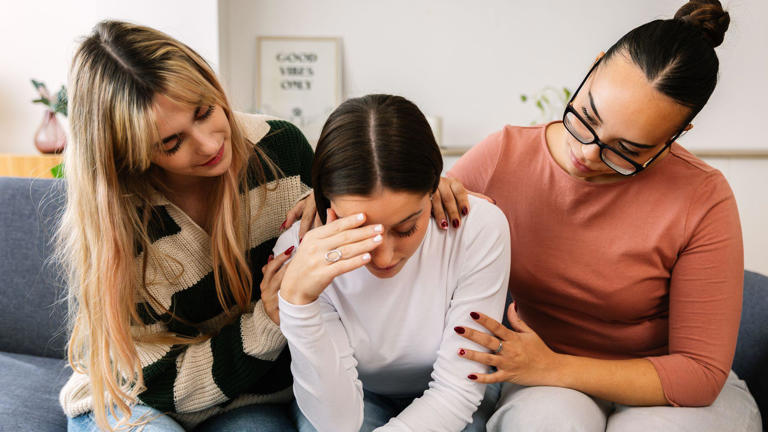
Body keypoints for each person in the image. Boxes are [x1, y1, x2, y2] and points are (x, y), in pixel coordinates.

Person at [446, 0, 762, 430]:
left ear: (675, 136)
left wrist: (553, 367)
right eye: (587, 117)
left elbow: (699, 373)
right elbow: (408, 238)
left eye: (627, 151)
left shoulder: (703, 198)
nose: (587, 154)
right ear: (593, 69)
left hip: (665, 386)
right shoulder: (503, 157)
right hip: (543, 382)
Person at [57, 20, 315, 431]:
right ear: (128, 155)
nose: (212, 144)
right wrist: (268, 319)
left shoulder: (279, 150)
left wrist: (420, 189)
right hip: (134, 396)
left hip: (244, 392)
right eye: (171, 143)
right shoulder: (120, 220)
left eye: (205, 111)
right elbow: (153, 383)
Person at [275, 94, 511, 431]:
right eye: (359, 229)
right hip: (358, 397)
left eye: (406, 228)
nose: (384, 258)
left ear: (433, 191)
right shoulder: (301, 253)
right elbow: (337, 422)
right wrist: (297, 303)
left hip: (460, 393)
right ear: (327, 204)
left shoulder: (478, 228)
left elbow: (456, 392)